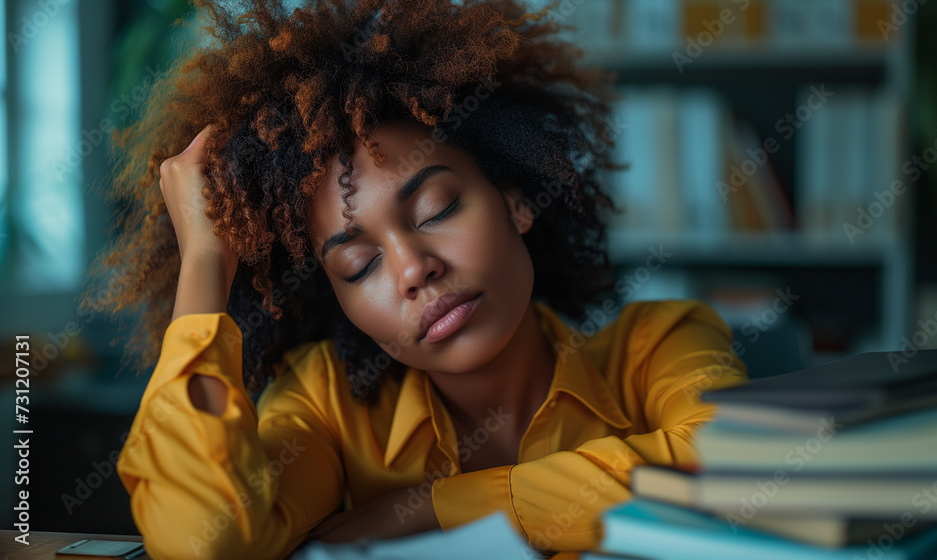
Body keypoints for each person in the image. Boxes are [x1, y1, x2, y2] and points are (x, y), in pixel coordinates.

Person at [88, 1, 748, 558]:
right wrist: (206, 264)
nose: (412, 270)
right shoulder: (327, 403)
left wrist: (435, 507)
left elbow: (734, 474)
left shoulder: (658, 344)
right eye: (358, 264)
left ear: (516, 201)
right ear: (336, 297)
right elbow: (205, 540)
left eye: (435, 210)